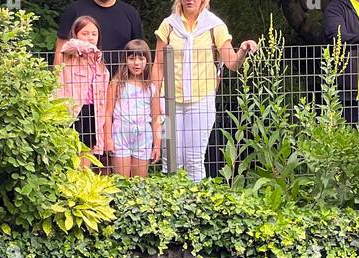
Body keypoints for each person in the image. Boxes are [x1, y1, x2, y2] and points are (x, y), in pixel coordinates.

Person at [153, 0, 257, 183]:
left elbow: (232, 63)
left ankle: (194, 205)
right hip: (168, 101)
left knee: (194, 159)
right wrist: (154, 100)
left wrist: (243, 49)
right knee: (170, 160)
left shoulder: (215, 25)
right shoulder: (168, 25)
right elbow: (158, 67)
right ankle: (170, 204)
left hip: (201, 101)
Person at [56, 17, 110, 169]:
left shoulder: (99, 62)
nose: (90, 37)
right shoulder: (71, 54)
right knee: (71, 151)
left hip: (93, 111)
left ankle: (83, 183)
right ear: (76, 34)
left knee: (88, 150)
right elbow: (68, 45)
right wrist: (88, 47)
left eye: (94, 34)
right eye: (85, 33)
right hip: (74, 111)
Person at [105, 40, 161, 177]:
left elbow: (156, 118)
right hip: (120, 133)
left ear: (147, 60)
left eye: (141, 58)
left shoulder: (151, 88)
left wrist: (157, 145)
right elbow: (107, 114)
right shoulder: (117, 84)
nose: (136, 63)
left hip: (143, 135)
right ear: (125, 60)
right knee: (121, 181)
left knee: (139, 182)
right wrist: (108, 139)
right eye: (131, 58)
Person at [56, 0, 144, 67]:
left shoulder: (131, 13)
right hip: (80, 84)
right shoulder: (74, 10)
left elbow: (140, 53)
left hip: (121, 84)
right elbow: (60, 53)